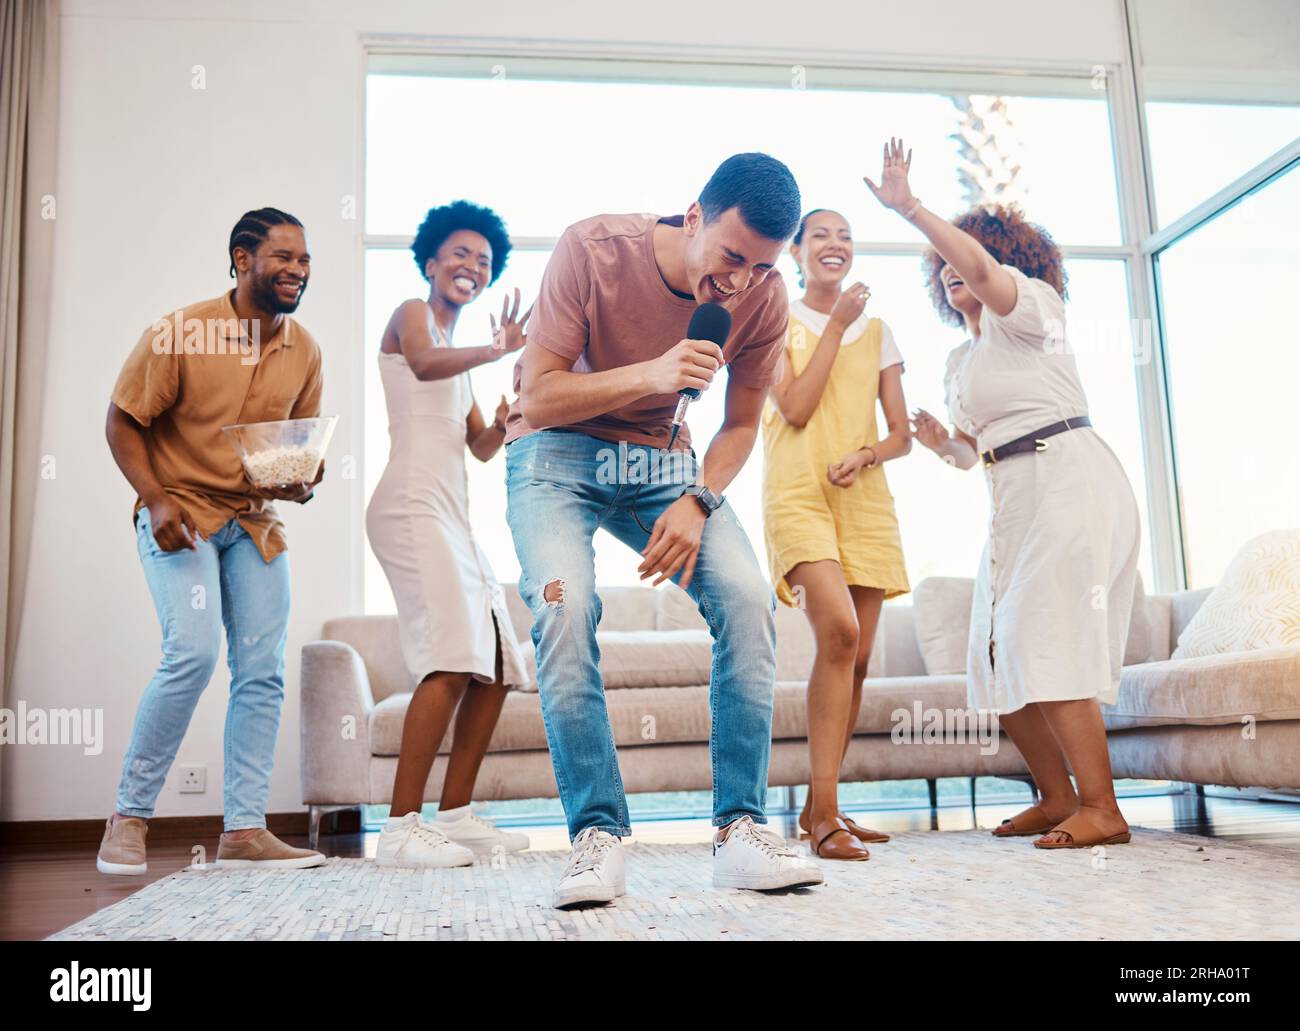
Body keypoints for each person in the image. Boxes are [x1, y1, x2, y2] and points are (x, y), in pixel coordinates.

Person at [504, 153, 825, 908]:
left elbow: (742, 423)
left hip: (663, 467)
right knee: (563, 604)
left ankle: (741, 828)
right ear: (693, 217)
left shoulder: (765, 298)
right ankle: (598, 834)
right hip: (553, 454)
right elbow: (539, 395)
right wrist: (654, 373)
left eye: (761, 265)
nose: (741, 281)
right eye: (731, 257)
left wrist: (699, 499)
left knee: (749, 598)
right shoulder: (591, 249)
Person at [865, 139, 1140, 849]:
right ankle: (1055, 796)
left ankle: (1102, 806)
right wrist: (939, 443)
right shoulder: (962, 359)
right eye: (944, 268)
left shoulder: (1030, 310)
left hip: (1067, 477)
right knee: (991, 657)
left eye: (968, 259)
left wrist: (911, 208)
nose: (956, 271)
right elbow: (967, 454)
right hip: (1011, 495)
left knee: (1041, 637)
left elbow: (985, 269)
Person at [99, 207, 327, 874]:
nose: (296, 270)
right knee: (192, 653)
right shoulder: (180, 332)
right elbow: (121, 422)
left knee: (262, 670)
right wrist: (158, 496)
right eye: (283, 257)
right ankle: (128, 817)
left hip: (252, 523)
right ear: (241, 259)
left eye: (305, 260)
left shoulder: (305, 350)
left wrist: (299, 480)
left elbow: (294, 453)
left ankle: (244, 832)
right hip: (181, 514)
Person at [366, 201, 534, 868]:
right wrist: (498, 348)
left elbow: (482, 447)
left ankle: (456, 813)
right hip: (409, 506)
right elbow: (424, 362)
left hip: (452, 514)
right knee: (451, 656)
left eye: (483, 261)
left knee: (496, 662)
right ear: (432, 262)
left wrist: (505, 419)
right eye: (460, 254)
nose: (471, 265)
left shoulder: (459, 360)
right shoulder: (414, 316)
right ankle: (400, 827)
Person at [762, 208, 911, 860]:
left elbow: (901, 435)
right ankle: (824, 818)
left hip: (864, 500)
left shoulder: (879, 331)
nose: (835, 244)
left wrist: (868, 454)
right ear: (796, 251)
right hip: (797, 492)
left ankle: (820, 805)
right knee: (839, 633)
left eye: (845, 235)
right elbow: (794, 406)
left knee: (859, 659)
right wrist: (836, 326)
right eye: (820, 234)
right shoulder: (772, 318)